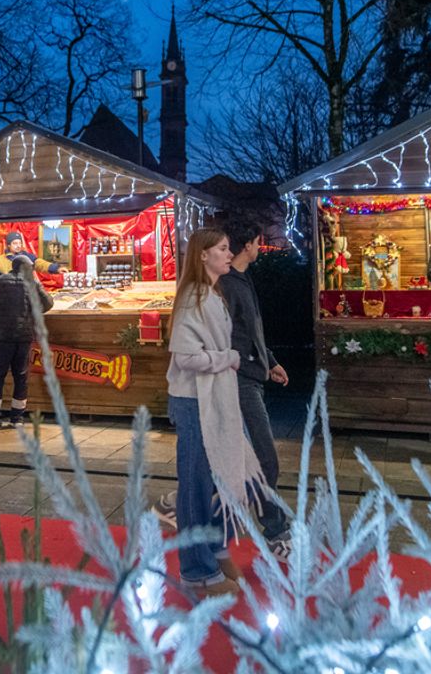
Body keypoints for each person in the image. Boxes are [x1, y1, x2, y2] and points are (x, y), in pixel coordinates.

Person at [166, 228, 270, 600]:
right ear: (203, 255)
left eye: (230, 247)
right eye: (223, 249)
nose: (230, 254)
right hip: (194, 401)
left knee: (219, 478)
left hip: (212, 399)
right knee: (195, 486)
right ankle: (196, 570)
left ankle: (214, 547)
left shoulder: (211, 294)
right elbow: (186, 356)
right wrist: (229, 358)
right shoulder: (193, 298)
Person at [218, 223, 292, 557]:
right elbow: (226, 335)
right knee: (265, 459)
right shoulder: (227, 285)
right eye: (258, 242)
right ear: (247, 245)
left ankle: (263, 527)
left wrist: (270, 362)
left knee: (251, 460)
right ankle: (276, 532)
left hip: (250, 375)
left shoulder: (242, 280)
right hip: (238, 380)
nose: (261, 247)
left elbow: (252, 330)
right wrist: (245, 362)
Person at [0, 256, 54, 432]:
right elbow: (49, 303)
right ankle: (17, 418)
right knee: (21, 377)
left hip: (2, 337)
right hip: (23, 337)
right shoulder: (31, 283)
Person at [0, 231, 65, 282]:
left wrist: (56, 268)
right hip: (7, 296)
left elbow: (40, 264)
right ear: (9, 245)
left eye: (20, 243)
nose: (18, 246)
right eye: (15, 243)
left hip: (26, 294)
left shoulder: (27, 257)